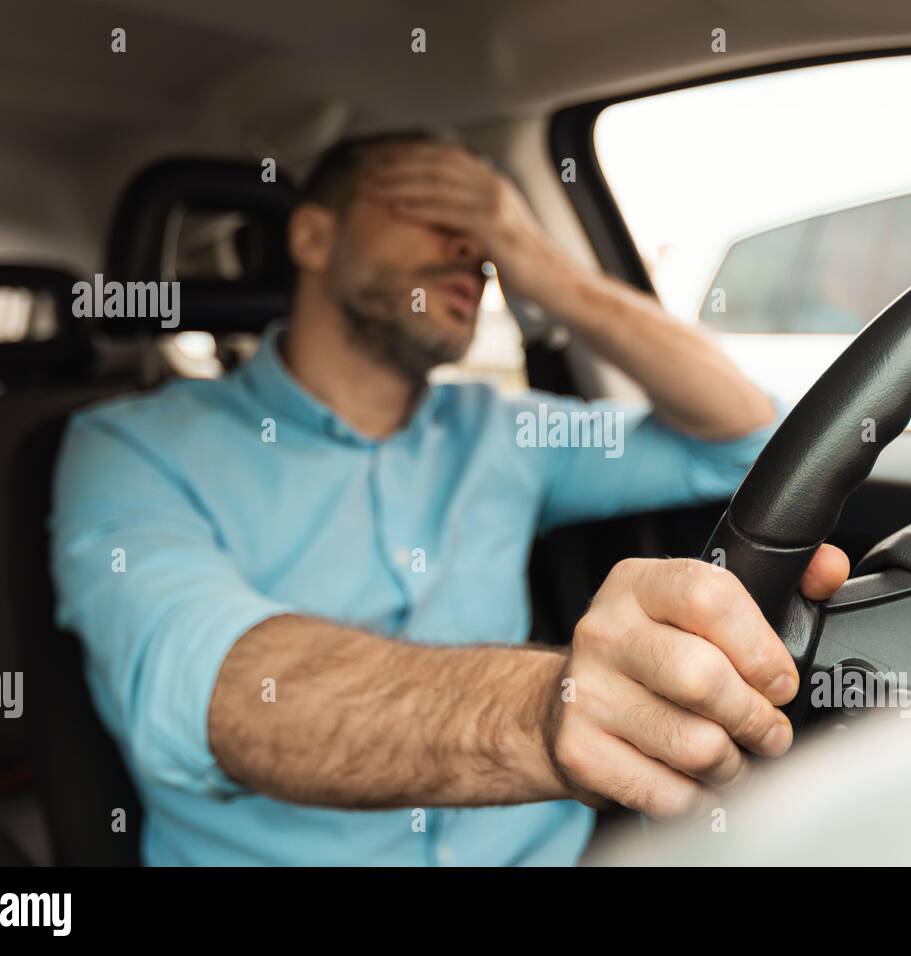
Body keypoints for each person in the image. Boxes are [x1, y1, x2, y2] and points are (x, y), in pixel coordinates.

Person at [50, 131, 849, 865]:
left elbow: (746, 441)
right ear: (314, 237)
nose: (474, 251)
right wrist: (543, 710)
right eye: (438, 212)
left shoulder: (503, 432)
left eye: (489, 233)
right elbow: (207, 688)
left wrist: (550, 272)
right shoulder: (129, 448)